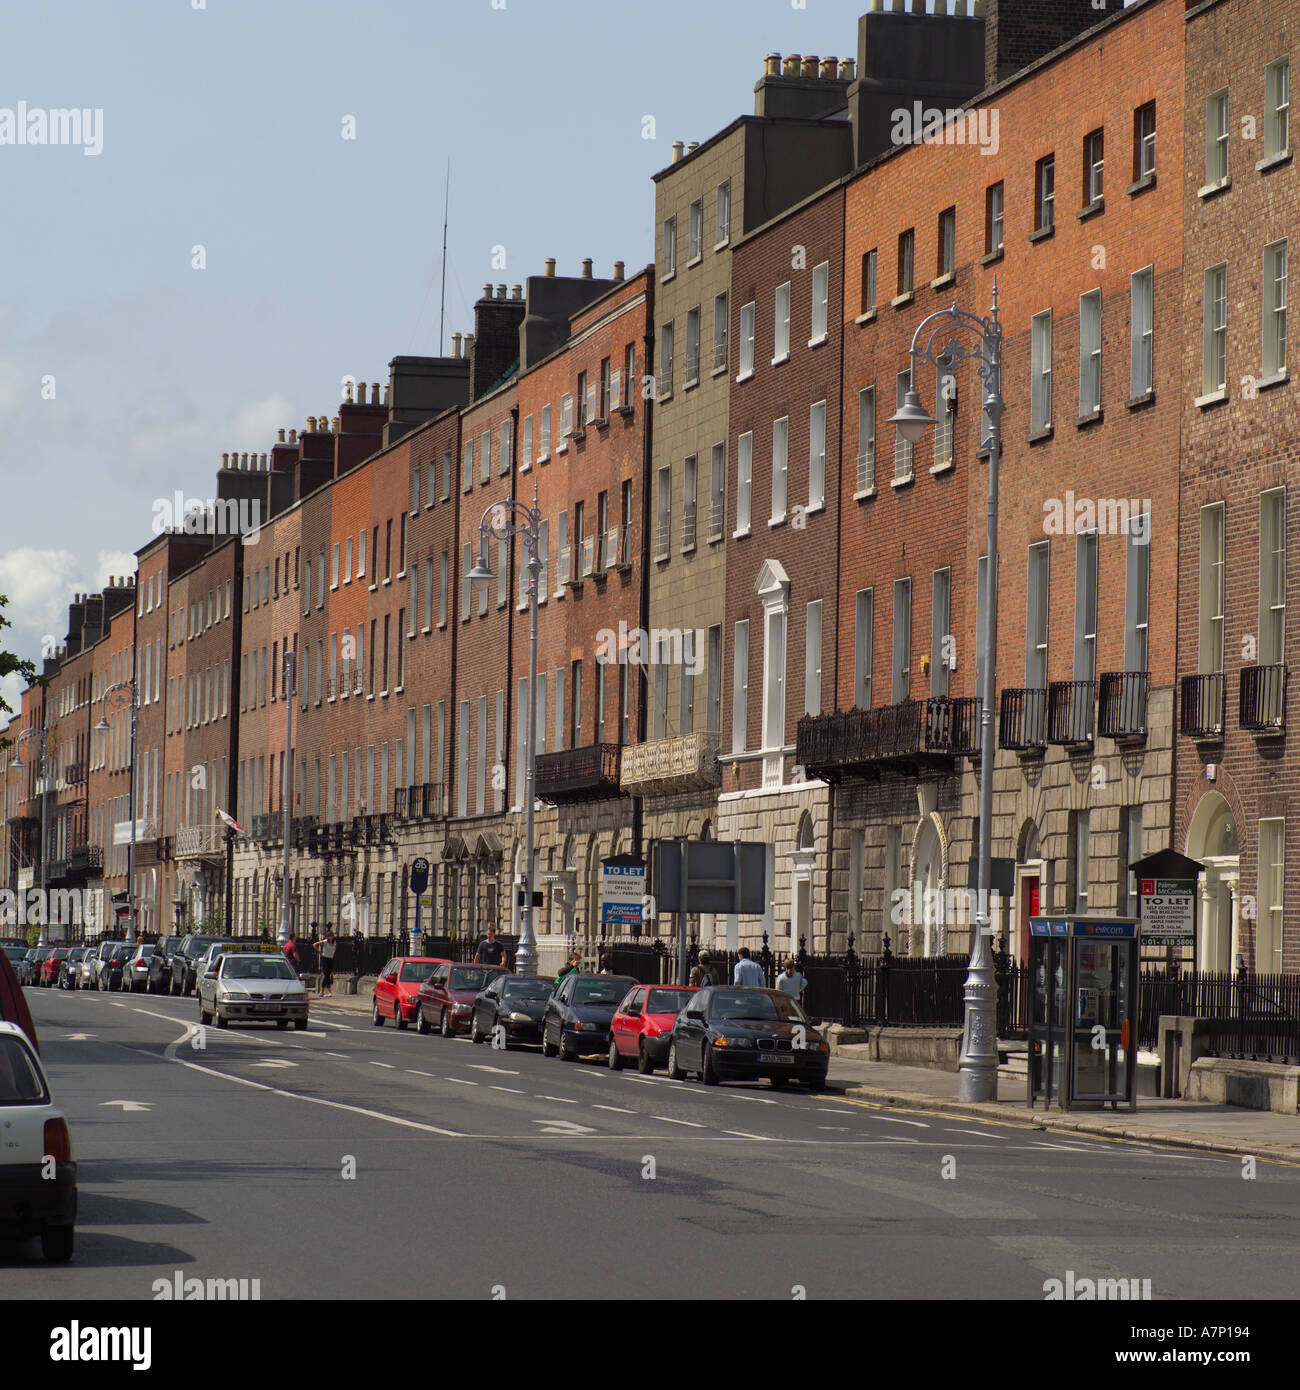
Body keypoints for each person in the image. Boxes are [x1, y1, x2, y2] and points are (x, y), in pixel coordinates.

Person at [318, 931, 337, 997]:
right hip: (325, 959)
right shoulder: (325, 942)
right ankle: (327, 991)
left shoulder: (334, 942)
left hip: (330, 959)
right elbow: (314, 944)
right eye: (330, 936)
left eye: (332, 936)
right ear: (328, 937)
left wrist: (333, 953)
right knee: (326, 975)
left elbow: (334, 949)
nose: (331, 937)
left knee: (328, 975)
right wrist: (320, 953)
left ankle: (322, 991)